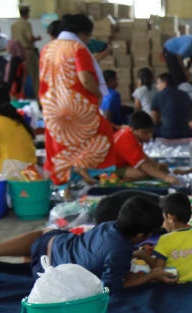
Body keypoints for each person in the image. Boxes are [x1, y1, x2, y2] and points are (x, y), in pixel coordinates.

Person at [0, 195, 173, 290]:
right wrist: (151, 275)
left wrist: (137, 254)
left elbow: (103, 250)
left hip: (53, 245)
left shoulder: (109, 226)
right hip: (51, 266)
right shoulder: (121, 250)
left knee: (47, 234)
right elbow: (114, 286)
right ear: (141, 235)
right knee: (46, 237)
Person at [39, 13, 115, 185]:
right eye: (88, 36)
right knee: (103, 132)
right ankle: (83, 167)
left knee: (60, 147)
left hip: (52, 107)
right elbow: (85, 79)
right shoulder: (77, 48)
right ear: (82, 33)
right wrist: (98, 94)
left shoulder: (47, 49)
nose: (88, 40)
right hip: (74, 108)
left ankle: (63, 186)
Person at [141, 193, 192, 284]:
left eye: (162, 217)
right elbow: (180, 246)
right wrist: (155, 248)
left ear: (170, 217)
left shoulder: (165, 239)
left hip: (173, 281)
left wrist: (143, 255)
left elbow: (158, 268)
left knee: (141, 270)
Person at [111, 111, 179, 184]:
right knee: (148, 173)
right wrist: (165, 177)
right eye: (145, 132)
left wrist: (156, 165)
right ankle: (123, 177)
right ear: (133, 130)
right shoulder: (127, 140)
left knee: (156, 169)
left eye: (151, 132)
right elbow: (143, 165)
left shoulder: (131, 133)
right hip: (111, 169)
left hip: (121, 165)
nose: (149, 136)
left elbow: (142, 156)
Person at [148, 73, 192, 139]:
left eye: (158, 83)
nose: (157, 86)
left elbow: (155, 120)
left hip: (167, 133)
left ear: (164, 83)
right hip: (187, 132)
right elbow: (191, 113)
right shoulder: (185, 94)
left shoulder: (157, 96)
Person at [11, 5, 40, 97]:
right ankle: (40, 100)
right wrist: (37, 38)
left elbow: (13, 39)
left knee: (18, 77)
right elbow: (30, 38)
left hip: (17, 54)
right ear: (27, 13)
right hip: (28, 53)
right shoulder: (27, 24)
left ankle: (15, 99)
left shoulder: (14, 25)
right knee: (35, 77)